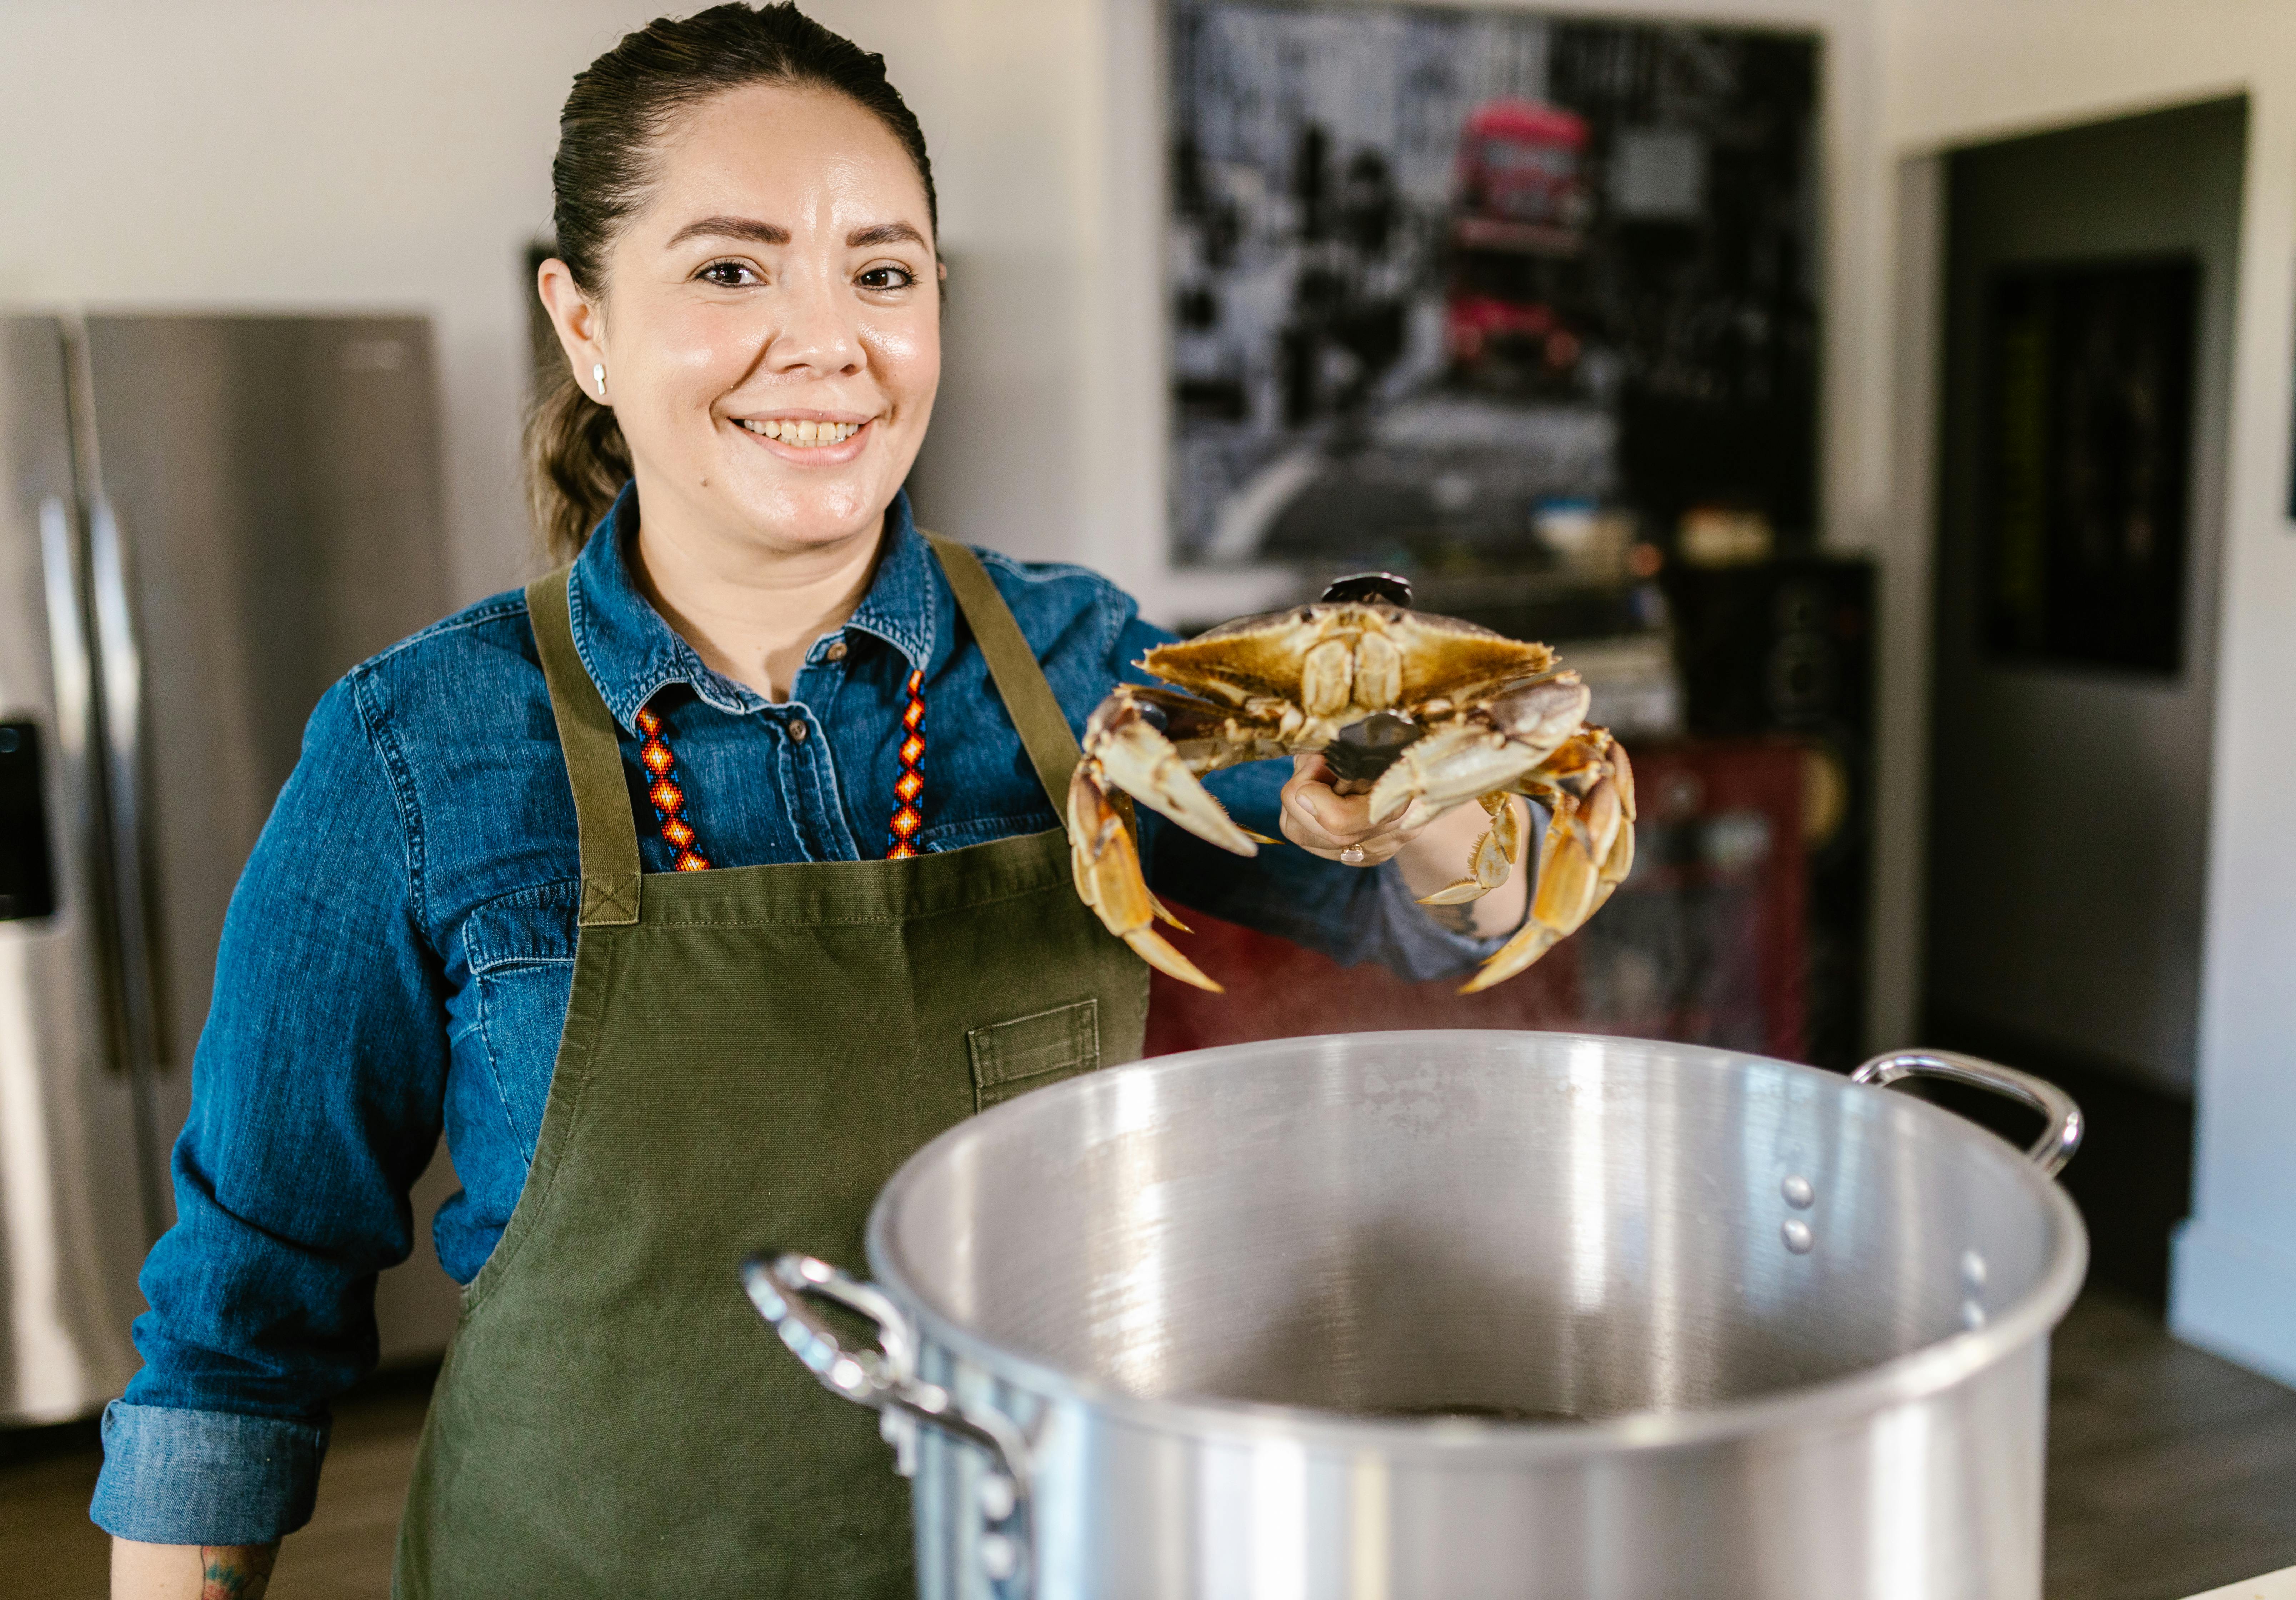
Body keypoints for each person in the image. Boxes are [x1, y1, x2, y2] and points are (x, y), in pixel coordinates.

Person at [93, 8, 1529, 1596]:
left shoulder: (1083, 664)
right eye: (730, 268)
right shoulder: (414, 747)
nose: (829, 339)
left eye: (884, 270)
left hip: (1037, 1557)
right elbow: (241, 1316)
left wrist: (1438, 788)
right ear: (582, 325)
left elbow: (1428, 917)